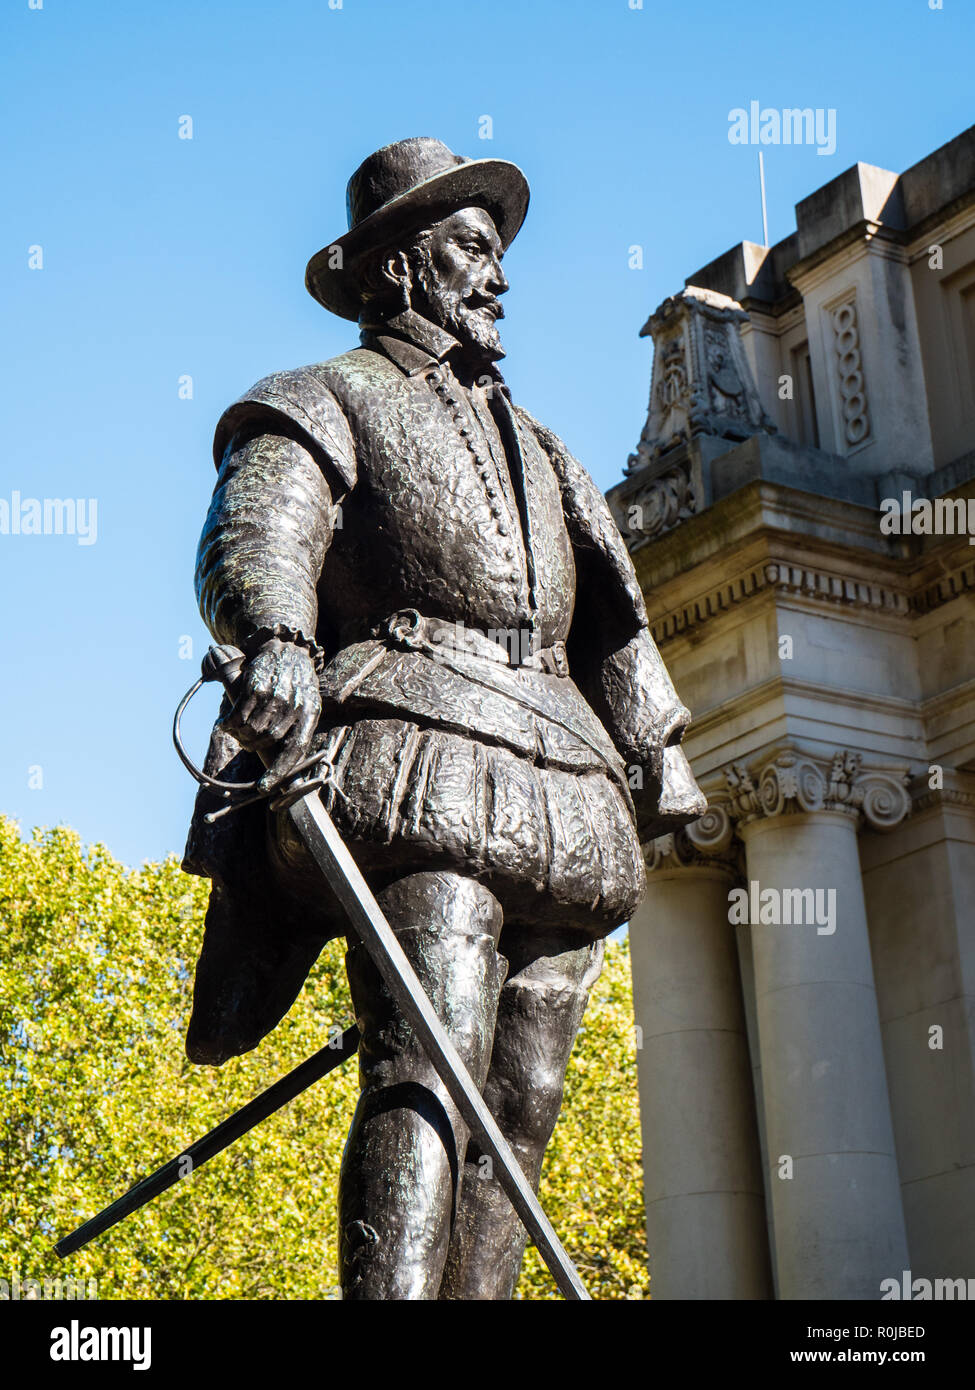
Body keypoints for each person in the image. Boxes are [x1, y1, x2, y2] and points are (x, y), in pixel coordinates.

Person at [182, 137, 705, 1299]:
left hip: (562, 773)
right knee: (431, 1055)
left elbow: (610, 612)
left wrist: (657, 744)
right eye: (474, 248)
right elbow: (257, 529)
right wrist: (275, 637)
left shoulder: (543, 444)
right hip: (412, 756)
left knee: (524, 1101)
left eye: (500, 252)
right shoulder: (323, 396)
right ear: (400, 268)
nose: (500, 276)